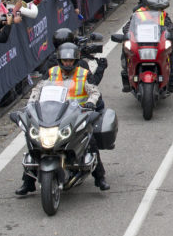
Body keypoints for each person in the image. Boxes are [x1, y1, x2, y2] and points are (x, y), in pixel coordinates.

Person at [15, 43, 109, 194]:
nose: (68, 63)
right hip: (54, 113)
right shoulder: (51, 72)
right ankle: (28, 182)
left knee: (90, 141)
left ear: (76, 60)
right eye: (65, 60)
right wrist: (31, 103)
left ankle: (100, 178)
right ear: (60, 60)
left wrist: (91, 103)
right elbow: (38, 89)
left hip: (77, 114)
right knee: (35, 141)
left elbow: (94, 92)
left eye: (71, 61)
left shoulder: (84, 74)